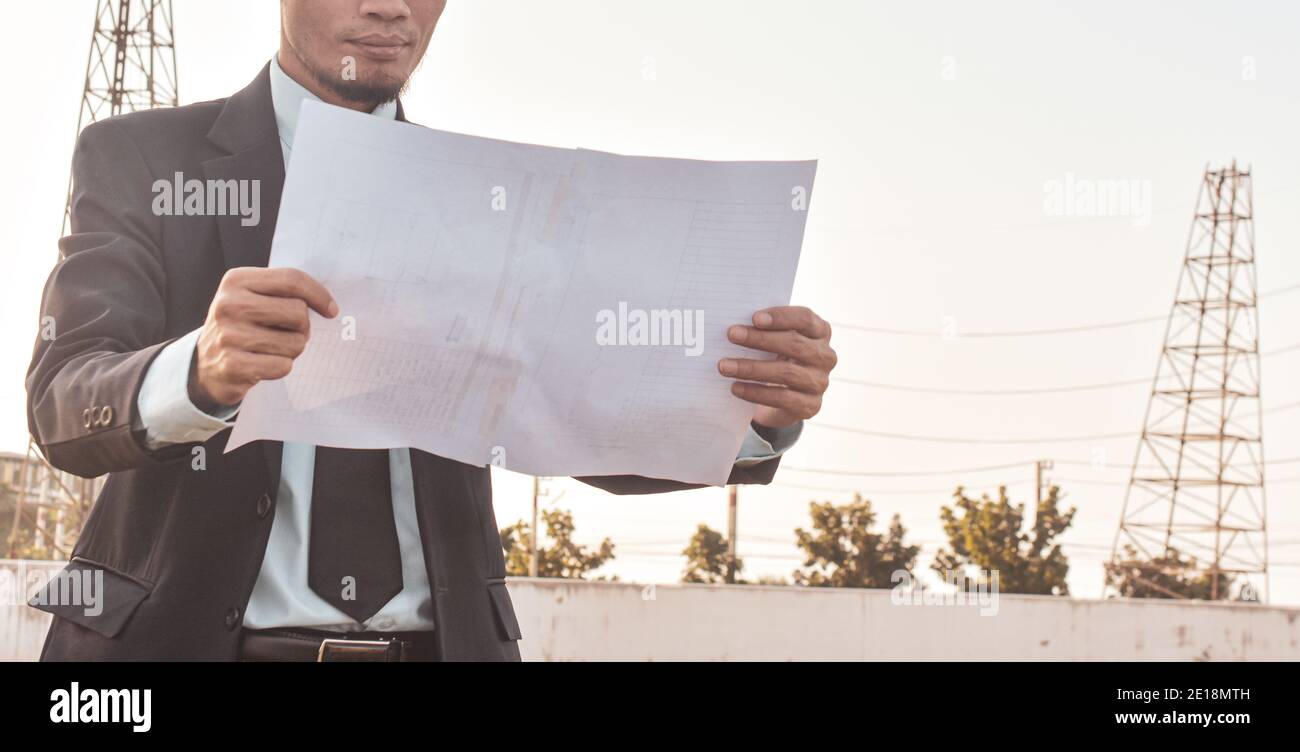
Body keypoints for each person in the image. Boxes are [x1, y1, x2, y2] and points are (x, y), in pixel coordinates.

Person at [26, 0, 837, 661]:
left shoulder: (492, 196)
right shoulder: (138, 157)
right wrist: (194, 373)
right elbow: (64, 401)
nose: (390, 6)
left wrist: (754, 416)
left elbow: (587, 424)